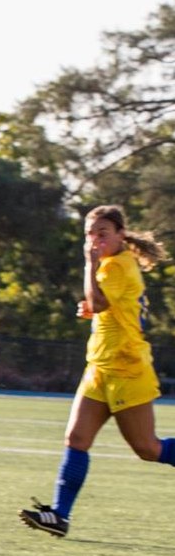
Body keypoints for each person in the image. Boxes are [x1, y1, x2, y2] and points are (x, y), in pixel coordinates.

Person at [20, 206, 175, 537]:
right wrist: (91, 307)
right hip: (100, 367)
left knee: (148, 449)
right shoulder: (111, 265)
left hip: (127, 369)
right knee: (76, 438)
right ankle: (60, 515)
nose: (95, 240)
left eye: (102, 233)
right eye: (90, 234)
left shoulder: (117, 266)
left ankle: (61, 514)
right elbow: (107, 308)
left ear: (121, 234)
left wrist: (90, 269)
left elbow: (102, 302)